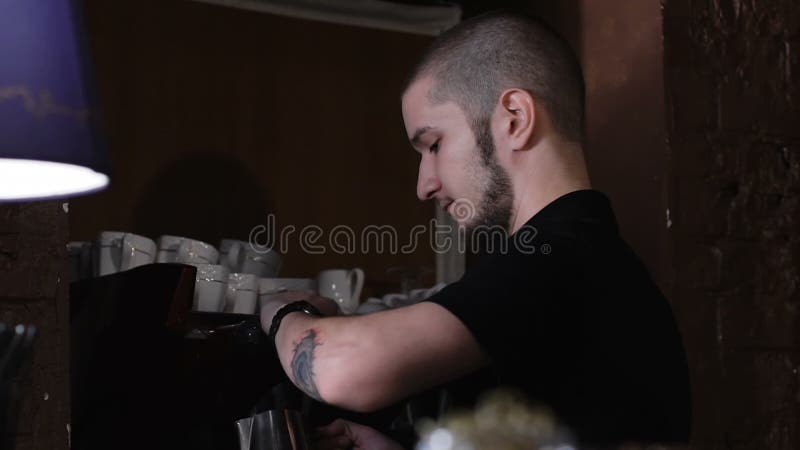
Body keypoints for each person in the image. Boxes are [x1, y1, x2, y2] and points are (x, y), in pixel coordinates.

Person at [260, 11, 691, 449]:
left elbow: (342, 368)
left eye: (434, 144)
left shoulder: (557, 258)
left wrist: (281, 310)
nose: (423, 184)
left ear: (515, 118)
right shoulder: (585, 257)